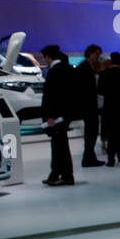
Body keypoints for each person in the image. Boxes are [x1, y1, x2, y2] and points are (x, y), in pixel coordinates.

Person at [39, 45, 76, 186]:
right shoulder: (67, 69)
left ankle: (56, 175)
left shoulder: (55, 71)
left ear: (48, 57)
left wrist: (51, 116)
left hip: (56, 116)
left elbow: (52, 96)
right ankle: (64, 175)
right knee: (62, 145)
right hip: (64, 115)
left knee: (58, 146)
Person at [75, 44, 104, 167]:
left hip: (90, 106)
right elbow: (84, 89)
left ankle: (90, 158)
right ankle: (88, 159)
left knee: (92, 133)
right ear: (90, 53)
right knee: (90, 133)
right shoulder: (84, 68)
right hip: (88, 106)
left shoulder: (88, 67)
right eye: (96, 54)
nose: (98, 57)